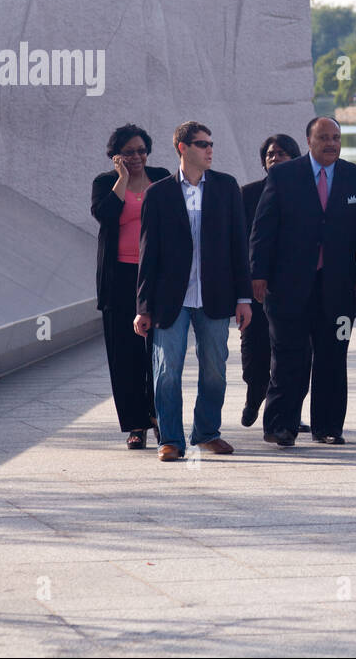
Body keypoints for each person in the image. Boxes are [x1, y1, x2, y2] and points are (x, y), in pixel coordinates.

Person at [250, 117, 356, 446]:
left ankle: (328, 426)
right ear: (308, 141)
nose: (331, 143)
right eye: (323, 137)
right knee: (289, 356)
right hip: (287, 288)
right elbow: (263, 231)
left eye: (336, 137)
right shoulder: (283, 176)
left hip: (340, 290)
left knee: (333, 355)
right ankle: (281, 426)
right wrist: (258, 275)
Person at [134, 122, 252, 462]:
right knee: (167, 370)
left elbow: (237, 247)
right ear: (182, 148)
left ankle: (207, 433)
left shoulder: (227, 188)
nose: (210, 149)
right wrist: (143, 307)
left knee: (215, 368)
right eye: (202, 144)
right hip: (170, 300)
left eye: (211, 143)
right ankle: (170, 439)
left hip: (215, 296)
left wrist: (243, 299)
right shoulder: (159, 194)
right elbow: (148, 254)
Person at [91, 124, 171, 449]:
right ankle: (135, 424)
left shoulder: (162, 176)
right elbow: (105, 216)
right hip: (119, 279)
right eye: (128, 152)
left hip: (156, 278)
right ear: (116, 156)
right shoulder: (105, 183)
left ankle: (160, 418)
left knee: (160, 353)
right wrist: (123, 181)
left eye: (141, 150)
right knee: (124, 356)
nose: (136, 157)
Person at [240, 133, 308, 432]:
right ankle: (255, 395)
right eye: (270, 153)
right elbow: (237, 242)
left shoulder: (308, 193)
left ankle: (288, 413)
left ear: (295, 159)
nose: (275, 157)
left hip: (295, 287)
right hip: (256, 288)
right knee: (255, 352)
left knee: (294, 354)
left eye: (282, 153)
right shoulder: (248, 194)